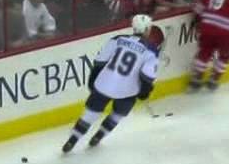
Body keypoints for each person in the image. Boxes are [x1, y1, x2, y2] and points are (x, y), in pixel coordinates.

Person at [62, 15, 162, 152]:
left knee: (91, 113)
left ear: (133, 27)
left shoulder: (117, 39)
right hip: (128, 90)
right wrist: (145, 92)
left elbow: (100, 62)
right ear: (147, 30)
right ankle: (99, 136)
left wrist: (92, 80)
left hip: (104, 83)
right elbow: (147, 76)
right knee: (117, 114)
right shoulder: (151, 50)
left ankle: (72, 140)